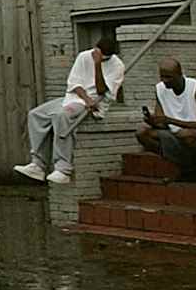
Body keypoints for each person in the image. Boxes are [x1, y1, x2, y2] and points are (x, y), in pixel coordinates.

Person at [15, 36, 124, 185]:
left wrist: (98, 65)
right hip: (75, 97)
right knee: (35, 114)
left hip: (96, 104)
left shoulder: (118, 66)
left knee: (62, 116)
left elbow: (102, 90)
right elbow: (74, 83)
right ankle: (38, 165)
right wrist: (86, 98)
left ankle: (63, 168)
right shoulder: (83, 56)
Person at [135, 58, 196, 182]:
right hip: (177, 136)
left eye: (168, 77)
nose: (164, 81)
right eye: (162, 77)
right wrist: (153, 121)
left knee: (187, 134)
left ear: (179, 74)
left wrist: (170, 120)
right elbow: (163, 124)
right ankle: (186, 167)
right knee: (142, 132)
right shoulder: (160, 89)